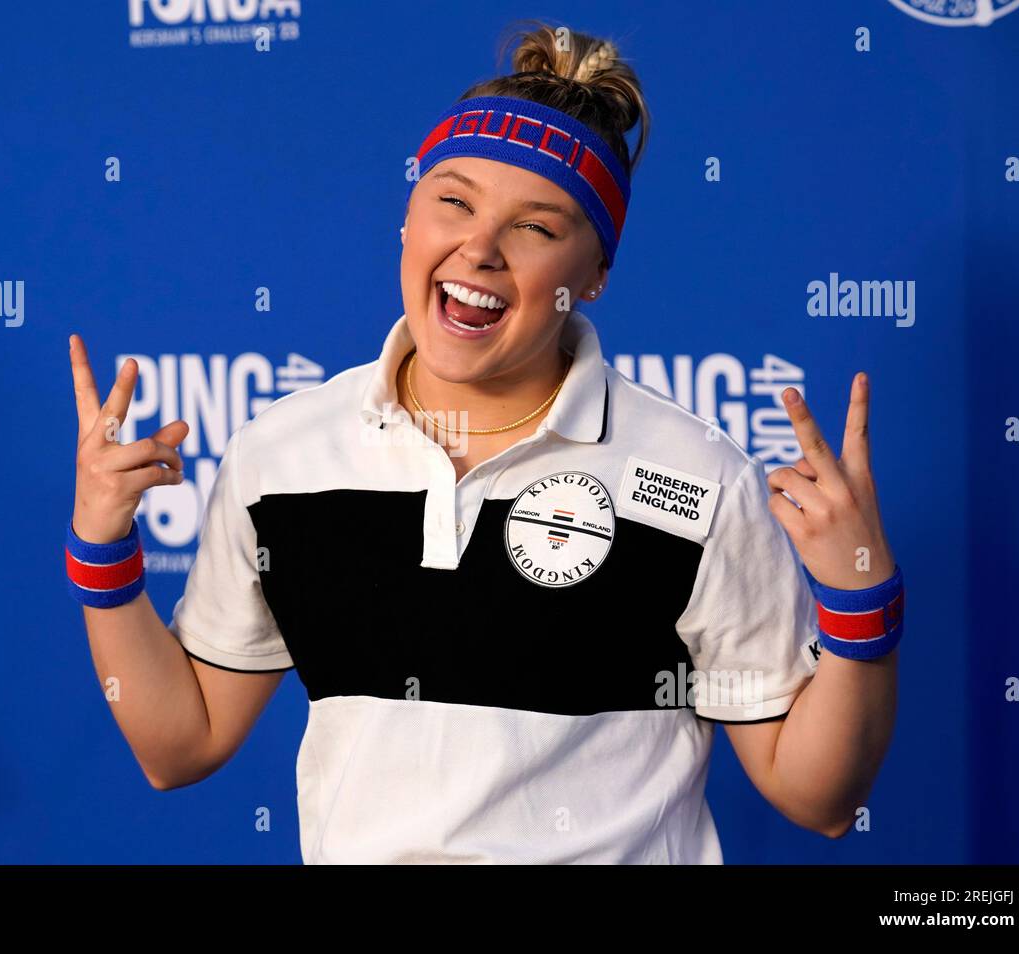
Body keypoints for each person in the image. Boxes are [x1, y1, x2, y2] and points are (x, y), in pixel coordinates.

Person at [66, 20, 902, 864]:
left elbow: (820, 799)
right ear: (408, 217)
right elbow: (181, 745)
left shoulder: (695, 479)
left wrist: (859, 598)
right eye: (453, 201)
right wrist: (102, 545)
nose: (479, 249)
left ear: (597, 274)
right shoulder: (281, 456)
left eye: (536, 227)